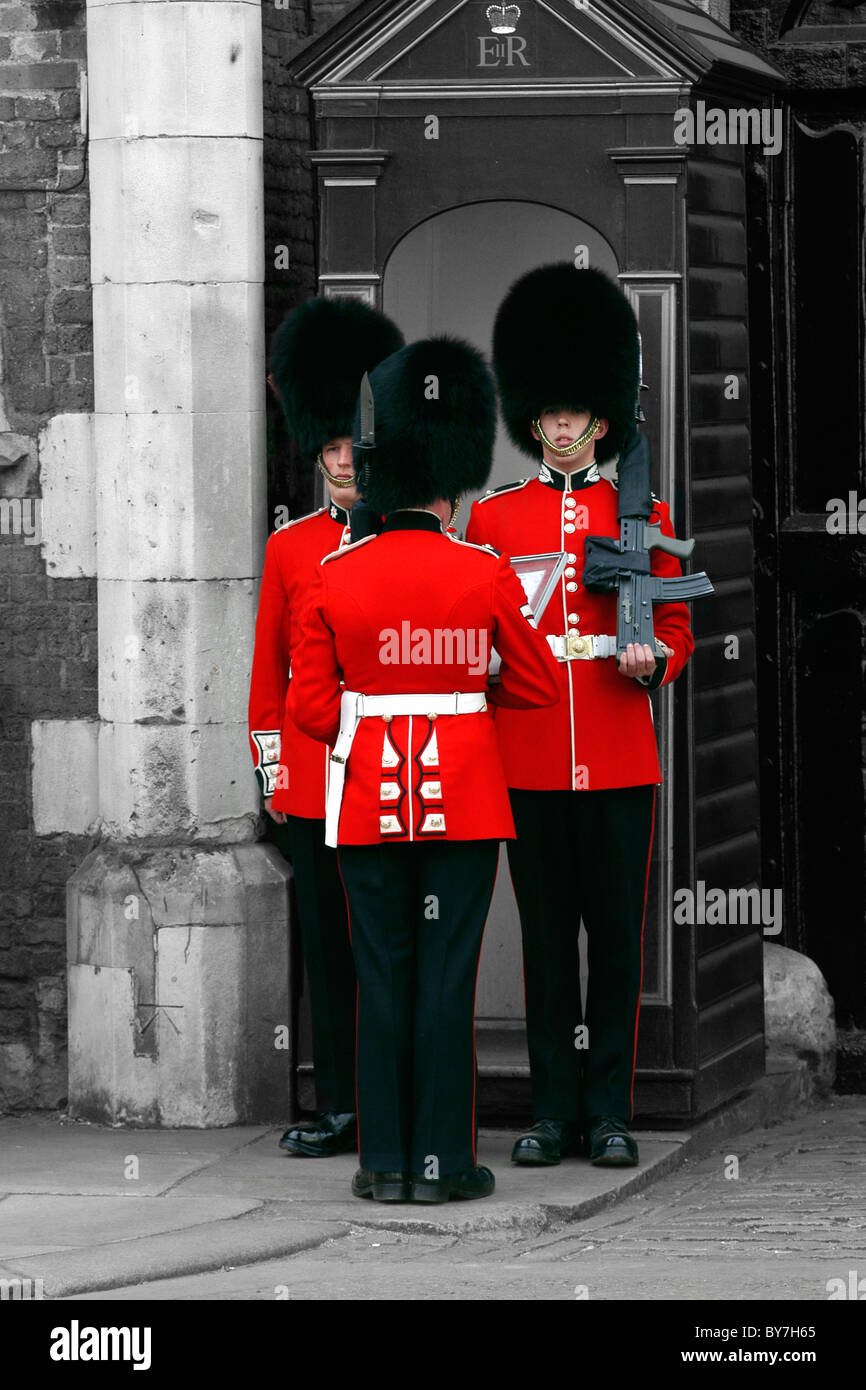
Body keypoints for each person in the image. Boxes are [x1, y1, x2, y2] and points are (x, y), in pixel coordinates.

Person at [287, 336, 560, 1202]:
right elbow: (536, 683)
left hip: (368, 803)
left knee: (381, 976)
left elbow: (308, 706)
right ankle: (443, 1165)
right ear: (444, 486)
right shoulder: (480, 573)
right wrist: (462, 685)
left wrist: (367, 726)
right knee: (447, 978)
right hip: (466, 805)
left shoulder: (335, 571)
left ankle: (384, 1164)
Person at [466, 264, 695, 1168]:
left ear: (601, 420)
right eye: (548, 416)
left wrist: (654, 661)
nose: (561, 429)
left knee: (617, 942)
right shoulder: (495, 521)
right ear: (532, 421)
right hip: (527, 759)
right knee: (547, 943)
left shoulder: (642, 514)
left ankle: (610, 1113)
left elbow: (674, 624)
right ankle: (552, 1110)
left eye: (577, 415)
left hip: (618, 753)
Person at [248, 296, 403, 1157]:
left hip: (386, 778)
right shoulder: (290, 547)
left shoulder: (407, 540)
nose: (344, 461)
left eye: (355, 445)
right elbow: (268, 674)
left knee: (383, 946)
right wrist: (274, 772)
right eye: (333, 447)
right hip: (312, 781)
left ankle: (387, 1101)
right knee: (326, 953)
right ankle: (338, 1102)